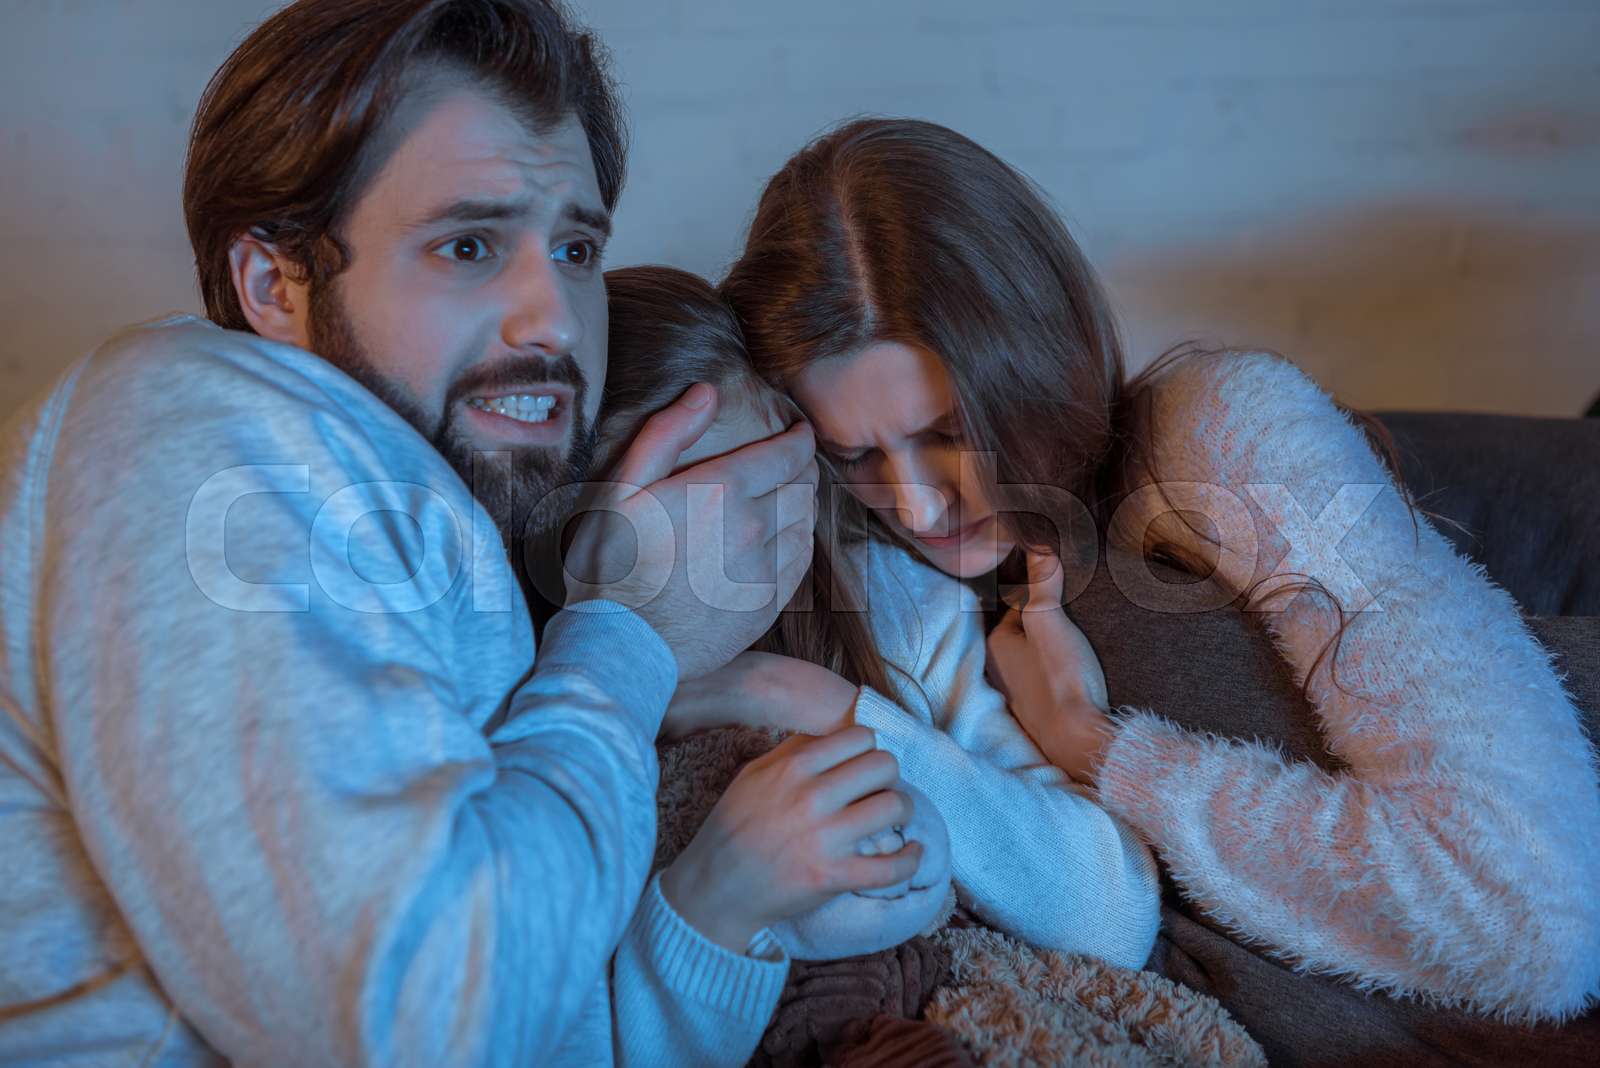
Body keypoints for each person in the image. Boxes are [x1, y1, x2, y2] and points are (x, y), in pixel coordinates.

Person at [0, 4, 922, 1065]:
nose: (554, 317)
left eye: (575, 247)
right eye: (469, 245)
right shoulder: (186, 431)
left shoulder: (431, 510)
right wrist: (628, 632)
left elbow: (554, 1024)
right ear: (275, 284)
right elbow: (434, 1028)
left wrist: (706, 894)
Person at [718, 117, 1600, 1024]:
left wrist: (1094, 745)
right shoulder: (885, 578)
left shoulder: (1221, 433)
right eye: (855, 455)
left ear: (1032, 355)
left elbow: (1530, 921)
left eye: (948, 434)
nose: (913, 505)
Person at [559, 265, 1159, 1066]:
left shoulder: (895, 610)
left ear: (798, 448)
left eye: (749, 494)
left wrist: (821, 702)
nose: (709, 555)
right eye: (658, 521)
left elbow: (1111, 911)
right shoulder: (542, 701)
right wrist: (710, 905)